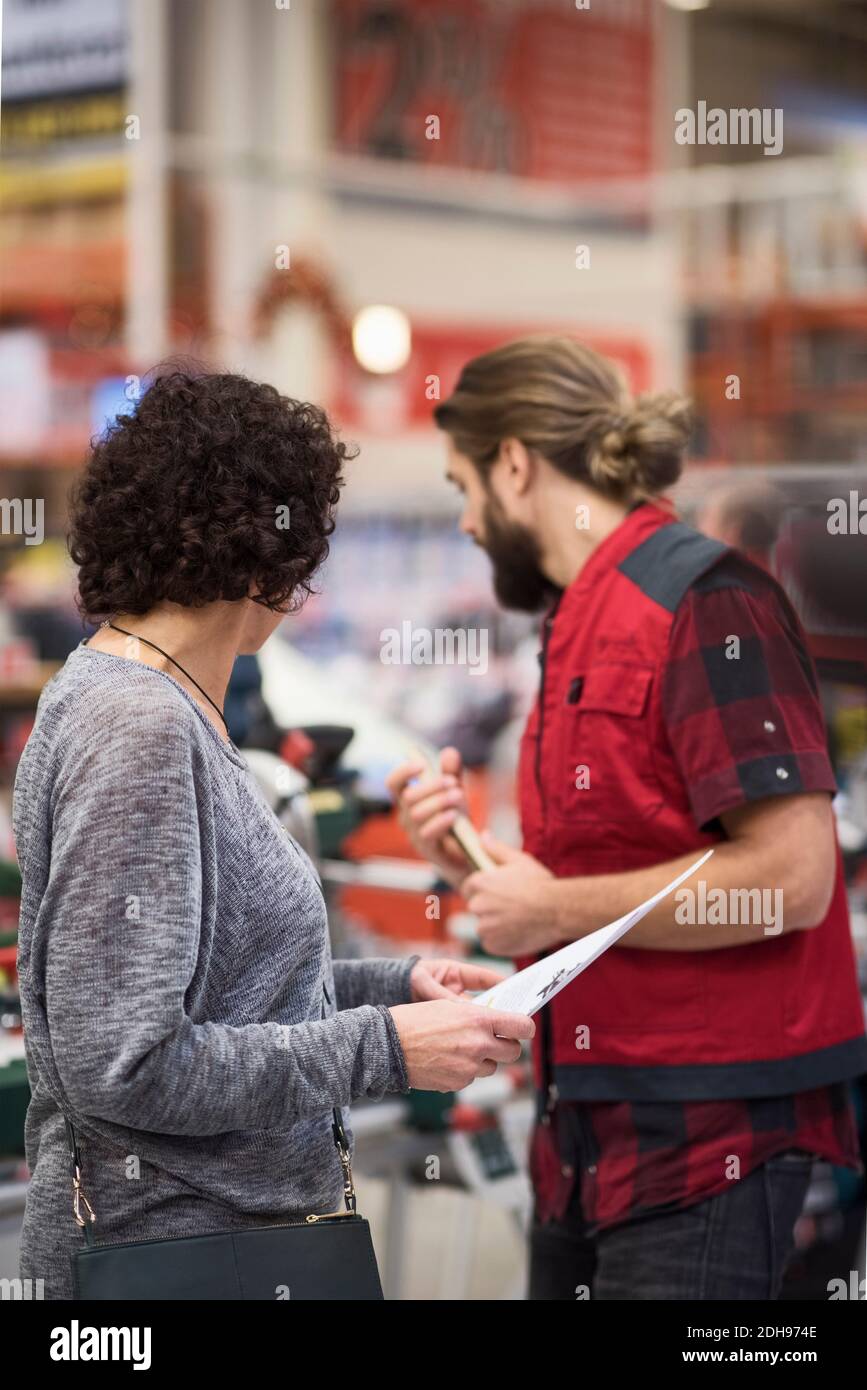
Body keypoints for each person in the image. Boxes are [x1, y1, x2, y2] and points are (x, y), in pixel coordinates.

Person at [13, 367, 533, 1301]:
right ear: (266, 558)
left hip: (226, 1244)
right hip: (179, 1256)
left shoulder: (155, 702)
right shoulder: (139, 727)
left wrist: (390, 989)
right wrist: (385, 1048)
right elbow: (125, 1062)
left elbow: (214, 992)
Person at [387, 336, 867, 1301]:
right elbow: (635, 859)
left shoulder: (704, 601)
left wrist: (553, 907)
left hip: (704, 1144)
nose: (469, 522)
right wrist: (472, 859)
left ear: (514, 462)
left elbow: (789, 878)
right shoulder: (581, 615)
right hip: (587, 1133)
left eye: (463, 486)